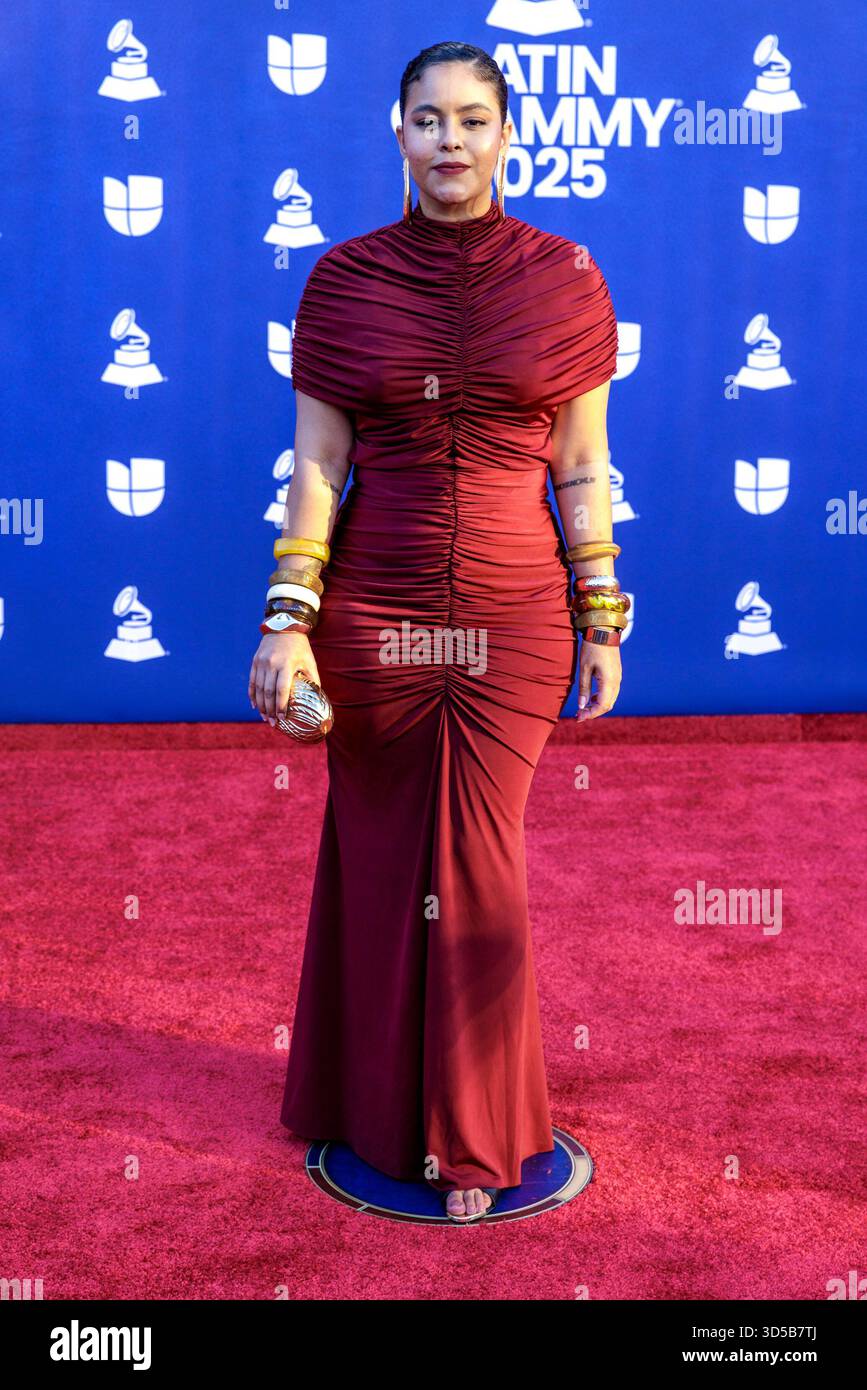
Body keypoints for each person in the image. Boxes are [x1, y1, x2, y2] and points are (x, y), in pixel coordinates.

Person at [248, 41, 625, 1224]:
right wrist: (288, 619)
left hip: (514, 615)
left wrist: (601, 611)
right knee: (377, 853)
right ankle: (370, 1107)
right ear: (397, 133)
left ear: (507, 133)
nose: (449, 139)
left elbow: (581, 464)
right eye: (428, 119)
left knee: (478, 864)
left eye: (472, 119)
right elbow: (318, 464)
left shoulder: (566, 279)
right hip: (377, 610)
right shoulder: (343, 281)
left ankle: (473, 1134)